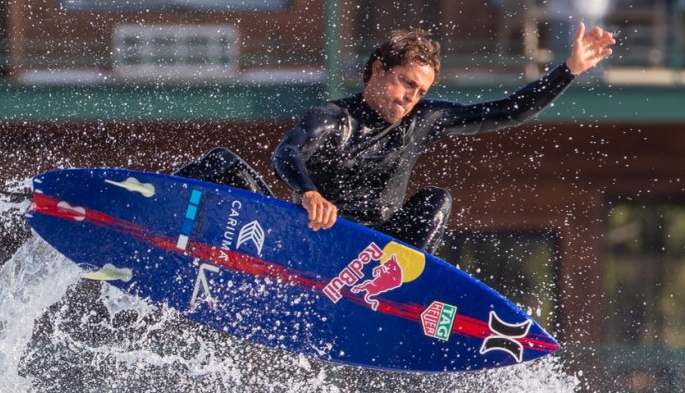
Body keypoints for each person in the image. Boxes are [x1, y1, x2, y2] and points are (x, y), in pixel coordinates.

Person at [179, 24, 616, 255]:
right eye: (406, 82)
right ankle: (140, 216)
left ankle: (401, 285)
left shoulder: (423, 121)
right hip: (306, 235)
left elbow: (507, 111)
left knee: (435, 200)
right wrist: (308, 193)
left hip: (374, 254)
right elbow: (286, 153)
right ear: (377, 70)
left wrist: (569, 70)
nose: (412, 96)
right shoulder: (333, 117)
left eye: (421, 90)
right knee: (221, 164)